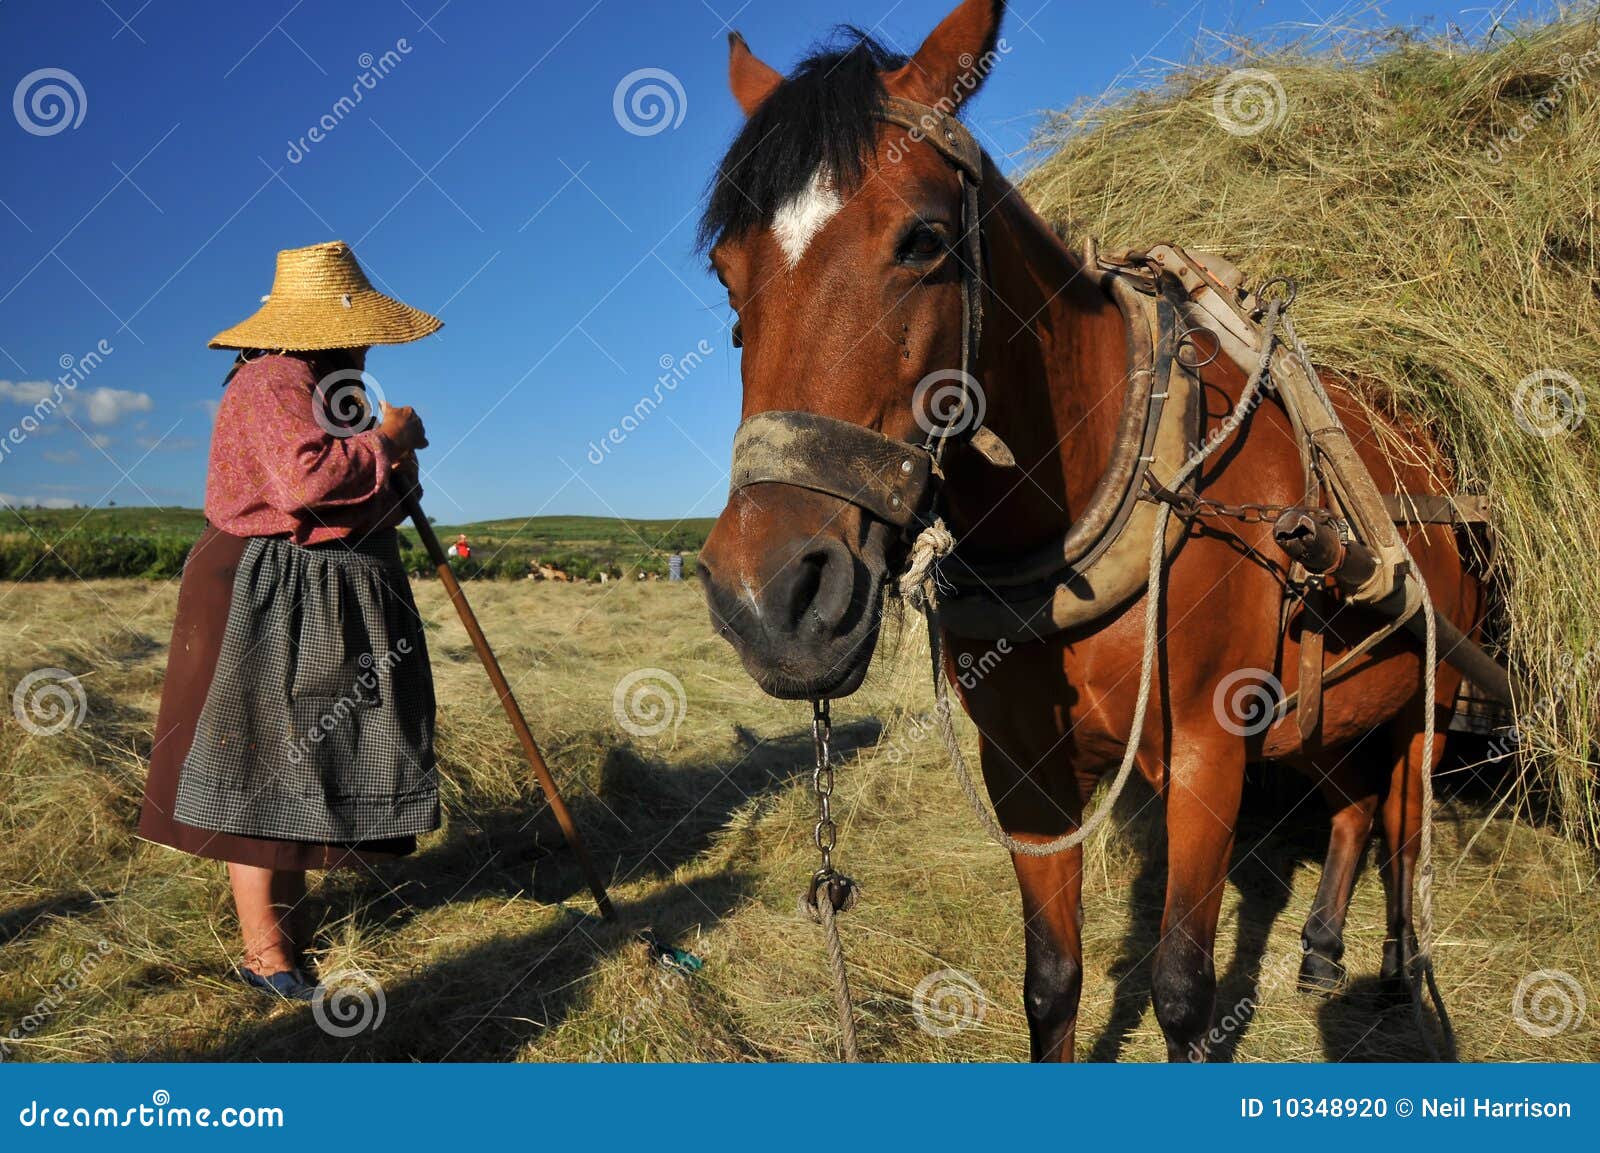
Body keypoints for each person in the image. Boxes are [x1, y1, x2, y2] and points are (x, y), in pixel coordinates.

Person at [137, 240, 441, 1000]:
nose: (368, 347)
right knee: (258, 764)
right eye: (361, 332)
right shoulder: (273, 379)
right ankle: (265, 954)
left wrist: (396, 471)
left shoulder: (329, 388)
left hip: (317, 591)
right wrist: (387, 441)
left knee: (304, 758)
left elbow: (357, 501)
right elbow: (306, 482)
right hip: (262, 591)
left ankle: (287, 933)